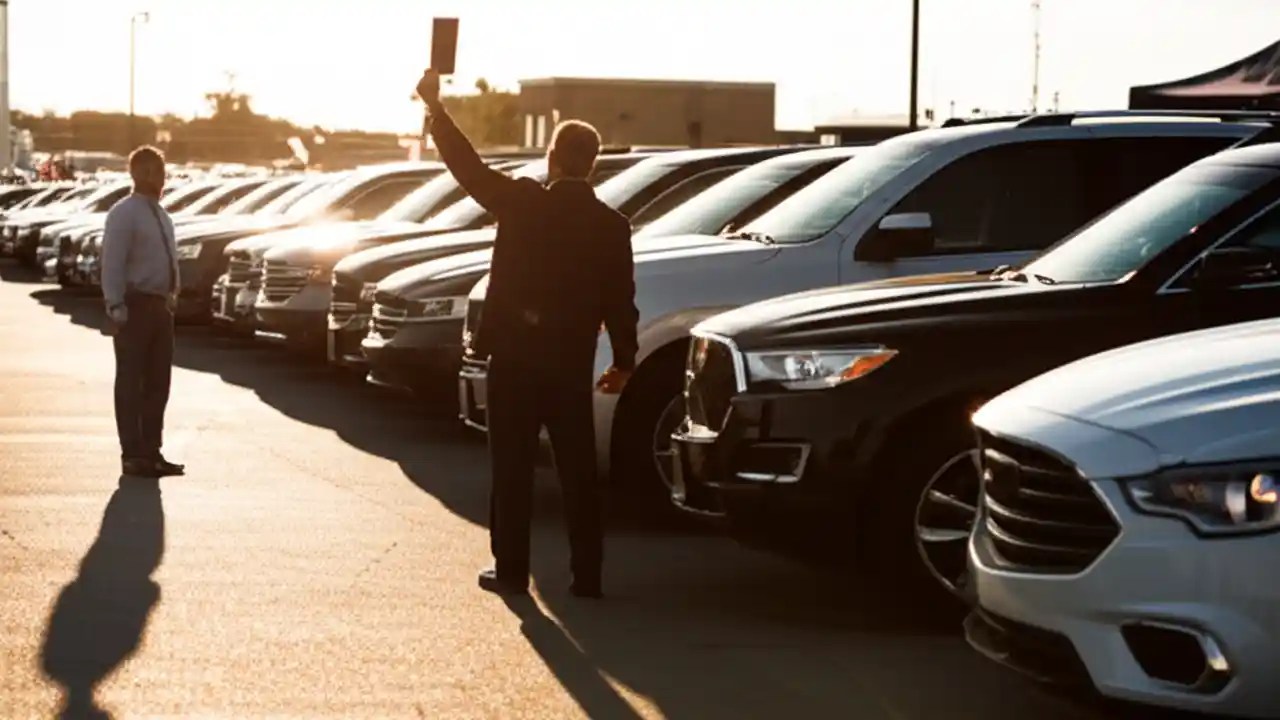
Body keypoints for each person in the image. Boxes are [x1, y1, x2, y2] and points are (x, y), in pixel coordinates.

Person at [416, 69, 638, 599]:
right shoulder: (612, 225)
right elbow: (620, 301)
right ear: (593, 163)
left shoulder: (521, 202)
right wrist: (624, 361)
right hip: (570, 362)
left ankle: (511, 571)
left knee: (511, 467)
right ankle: (588, 575)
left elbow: (467, 169)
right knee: (578, 470)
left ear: (552, 159)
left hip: (514, 359)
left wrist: (436, 110)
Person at [100, 146, 185, 479]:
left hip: (160, 307)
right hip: (134, 306)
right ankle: (133, 453)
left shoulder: (161, 214)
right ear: (141, 173)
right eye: (158, 171)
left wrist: (172, 294)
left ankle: (152, 451)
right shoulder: (125, 213)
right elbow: (113, 262)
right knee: (131, 381)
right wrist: (115, 304)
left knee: (158, 383)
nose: (163, 178)